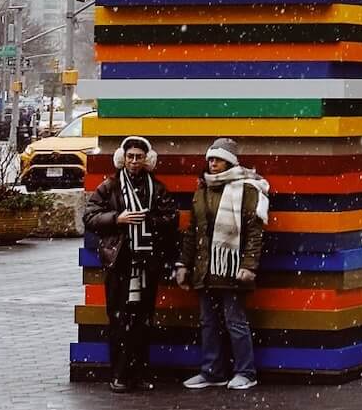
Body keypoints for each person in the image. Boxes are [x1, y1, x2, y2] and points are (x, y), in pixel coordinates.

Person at [82, 135, 179, 393]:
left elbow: (171, 219)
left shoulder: (156, 188)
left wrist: (150, 221)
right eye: (130, 156)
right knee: (119, 319)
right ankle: (119, 374)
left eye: (139, 156)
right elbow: (90, 216)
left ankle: (139, 372)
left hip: (147, 263)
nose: (134, 161)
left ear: (147, 159)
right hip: (120, 262)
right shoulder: (110, 187)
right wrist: (118, 218)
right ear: (122, 159)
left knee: (143, 320)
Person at [176, 137, 270, 392]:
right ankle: (212, 372)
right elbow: (193, 232)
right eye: (210, 159)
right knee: (208, 322)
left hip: (232, 268)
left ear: (229, 162)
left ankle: (245, 372)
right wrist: (183, 264)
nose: (212, 163)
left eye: (217, 159)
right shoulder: (202, 190)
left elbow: (254, 231)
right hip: (205, 268)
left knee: (235, 320)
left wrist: (249, 266)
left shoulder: (247, 189)